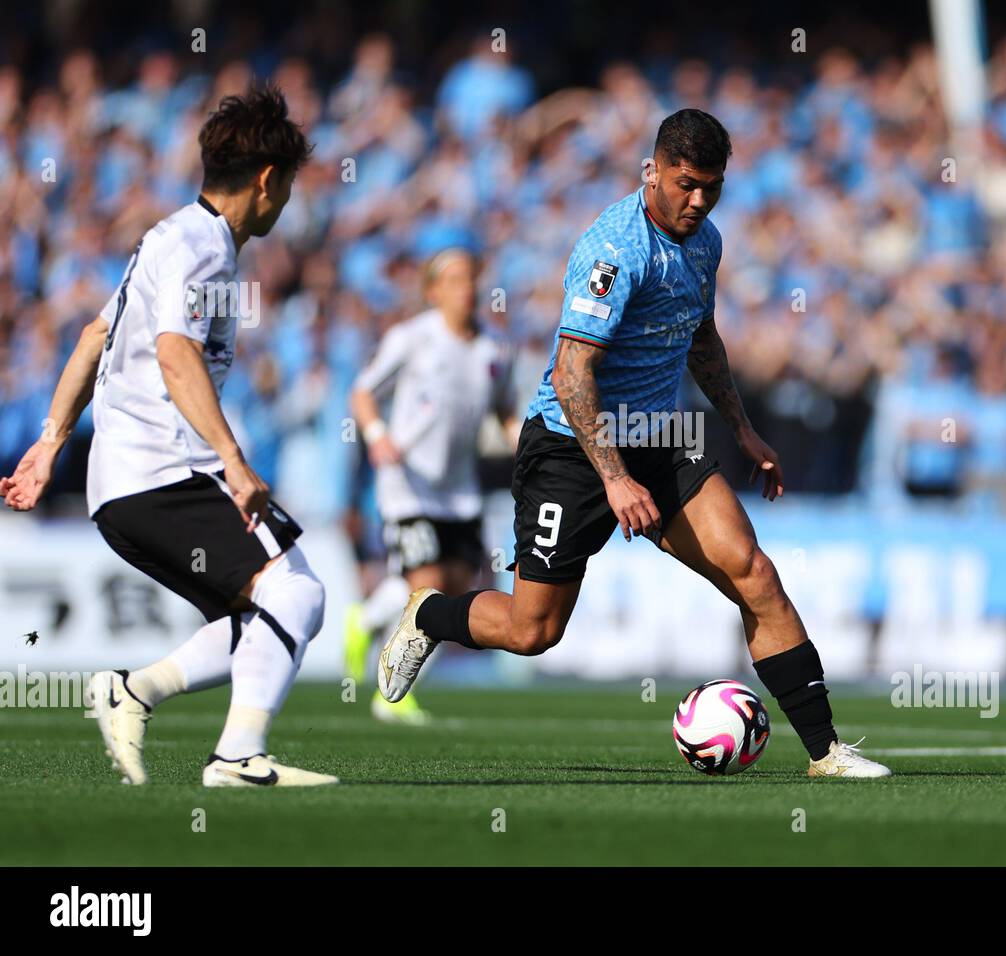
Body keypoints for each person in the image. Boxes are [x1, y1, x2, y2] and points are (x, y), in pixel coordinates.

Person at [377, 109, 890, 778]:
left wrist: (739, 426)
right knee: (534, 631)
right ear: (653, 171)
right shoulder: (615, 249)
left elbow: (700, 336)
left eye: (712, 186)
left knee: (754, 574)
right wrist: (615, 478)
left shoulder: (705, 242)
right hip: (570, 446)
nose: (698, 200)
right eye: (686, 184)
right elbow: (571, 372)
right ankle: (430, 614)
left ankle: (825, 752)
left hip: (659, 437)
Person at [1, 87, 336, 787]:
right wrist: (237, 464)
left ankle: (135, 691)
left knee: (264, 613)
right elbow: (175, 353)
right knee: (297, 595)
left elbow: (98, 333)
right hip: (164, 471)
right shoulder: (203, 247)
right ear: (269, 180)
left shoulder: (168, 237)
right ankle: (237, 756)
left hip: (121, 485)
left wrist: (53, 439)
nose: (287, 205)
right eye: (290, 187)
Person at [345, 247, 518, 724]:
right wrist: (378, 436)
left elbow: (504, 408)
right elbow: (362, 391)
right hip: (409, 486)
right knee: (428, 590)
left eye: (472, 277)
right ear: (433, 291)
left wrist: (519, 440)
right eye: (456, 278)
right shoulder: (412, 338)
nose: (469, 287)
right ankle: (392, 696)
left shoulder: (495, 349)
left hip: (460, 492)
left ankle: (368, 617)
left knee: (457, 592)